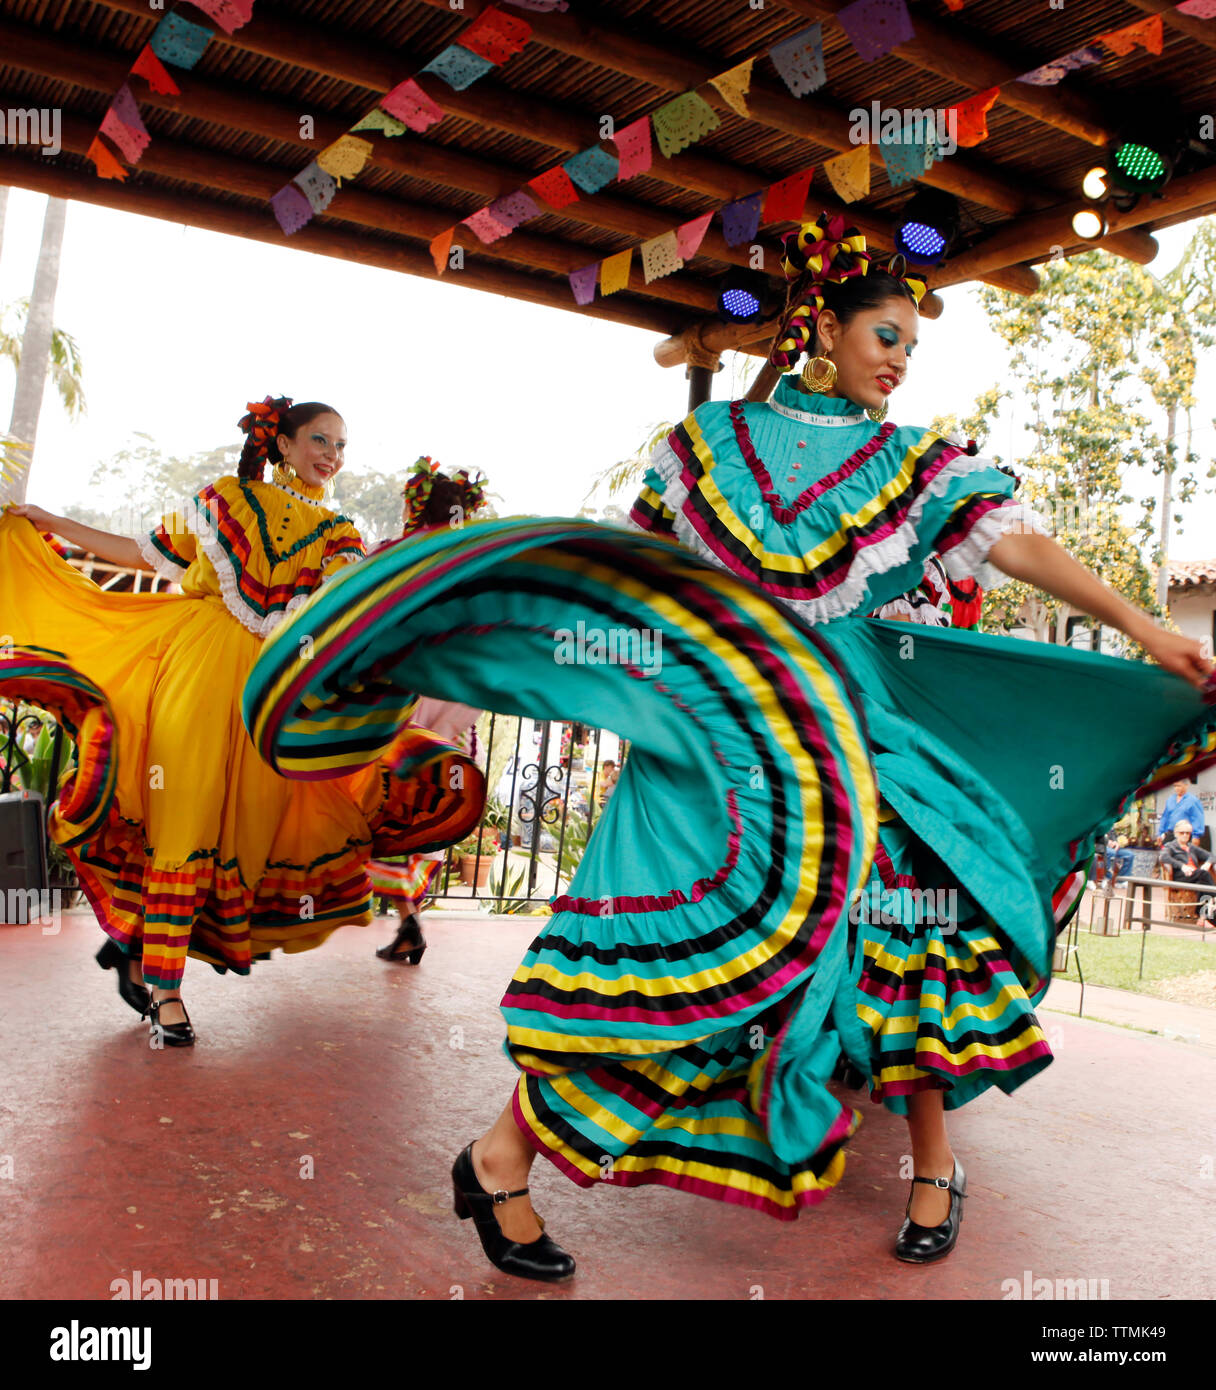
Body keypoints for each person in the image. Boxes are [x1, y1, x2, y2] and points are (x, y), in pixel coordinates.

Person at [240, 214, 1215, 1284]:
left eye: (911, 348)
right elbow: (642, 586)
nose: (899, 362)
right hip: (711, 739)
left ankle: (934, 1166)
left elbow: (1018, 544)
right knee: (665, 964)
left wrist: (1144, 629)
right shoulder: (698, 452)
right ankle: (500, 1155)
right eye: (887, 336)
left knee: (913, 934)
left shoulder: (913, 464)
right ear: (825, 329)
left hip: (855, 735)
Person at [0, 398, 480, 1047]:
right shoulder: (226, 500)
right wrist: (53, 520)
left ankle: (137, 947)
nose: (332, 454)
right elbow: (142, 553)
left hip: (270, 693)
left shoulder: (340, 536)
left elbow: (345, 616)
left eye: (341, 444)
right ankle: (166, 990)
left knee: (246, 836)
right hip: (197, 674)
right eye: (319, 438)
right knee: (186, 818)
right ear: (281, 443)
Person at [372, 460, 490, 963]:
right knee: (427, 818)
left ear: (415, 505)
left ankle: (405, 919)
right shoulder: (474, 570)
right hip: (452, 724)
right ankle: (407, 919)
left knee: (373, 817)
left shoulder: (394, 558)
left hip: (397, 714)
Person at [1158, 820, 1216, 918]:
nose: (1185, 835)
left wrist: (1207, 863)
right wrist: (1182, 866)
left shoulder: (1191, 847)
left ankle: (1203, 915)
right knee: (1204, 874)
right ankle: (1214, 898)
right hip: (1181, 876)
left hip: (1195, 876)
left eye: (1188, 833)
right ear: (1176, 834)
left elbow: (1211, 856)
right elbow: (1163, 857)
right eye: (1182, 833)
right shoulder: (1171, 846)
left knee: (1202, 883)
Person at [1157, 778, 1206, 848]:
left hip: (1185, 835)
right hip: (1170, 834)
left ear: (1186, 785)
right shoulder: (1170, 799)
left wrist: (1196, 836)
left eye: (1179, 786)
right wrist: (1160, 833)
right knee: (1165, 855)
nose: (1176, 788)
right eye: (1175, 786)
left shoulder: (1193, 800)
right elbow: (1165, 817)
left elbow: (1197, 818)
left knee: (1183, 857)